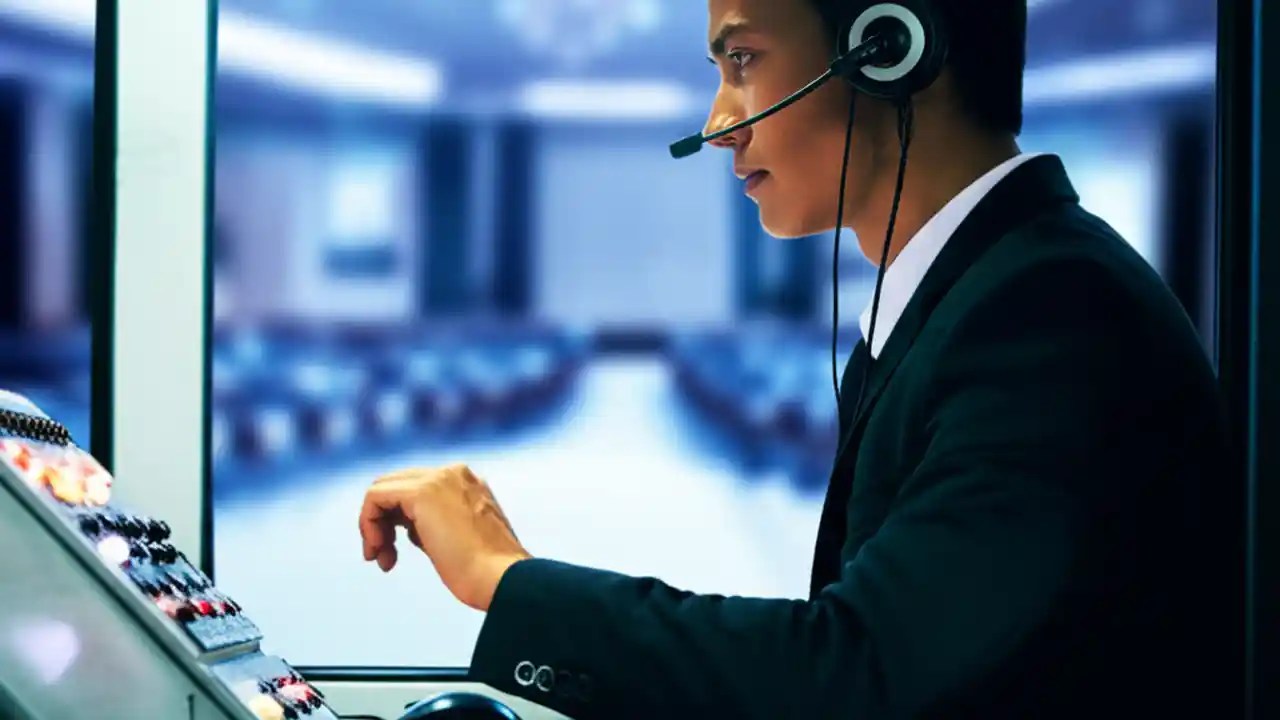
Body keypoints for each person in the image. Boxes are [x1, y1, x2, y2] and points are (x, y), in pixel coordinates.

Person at [358, 0, 1241, 717]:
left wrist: (511, 584)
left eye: (741, 61)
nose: (716, 127)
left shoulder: (1050, 314)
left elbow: (861, 678)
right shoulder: (973, 294)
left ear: (885, 50)